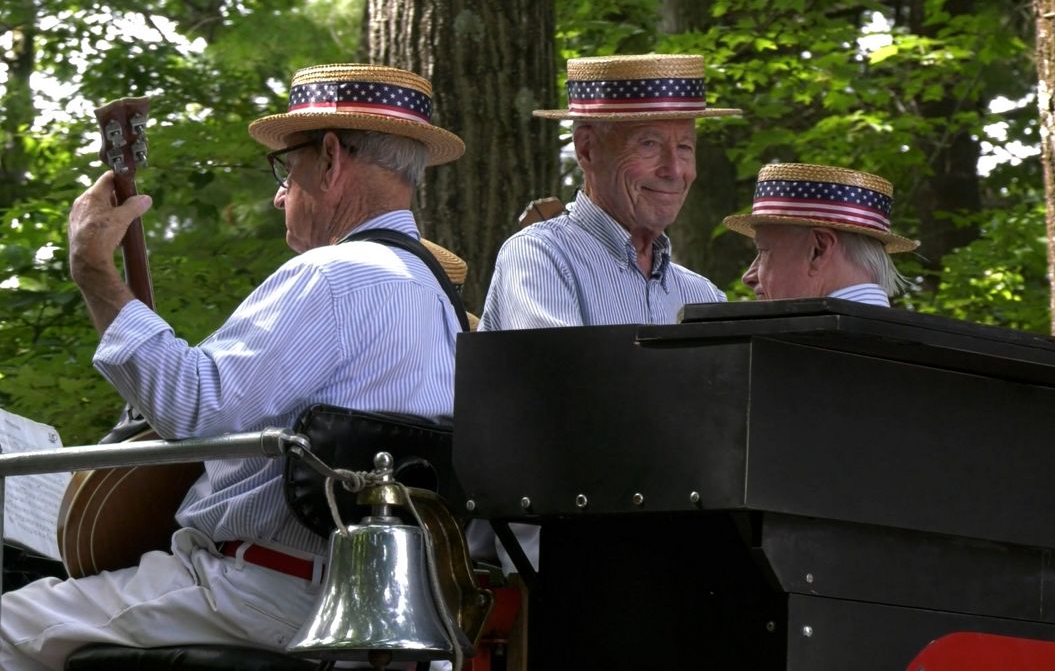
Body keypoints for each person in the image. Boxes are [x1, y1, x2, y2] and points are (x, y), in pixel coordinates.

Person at [0, 63, 466, 670]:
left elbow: (195, 409)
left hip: (261, 592)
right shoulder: (442, 300)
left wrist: (93, 271)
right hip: (386, 611)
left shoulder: (330, 276)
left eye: (286, 168)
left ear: (330, 158)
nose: (279, 194)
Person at [479, 53, 741, 330]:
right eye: (649, 144)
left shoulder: (703, 296)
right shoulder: (541, 258)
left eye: (685, 147)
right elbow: (558, 373)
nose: (674, 170)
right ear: (587, 149)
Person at [724, 162, 918, 304]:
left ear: (819, 248)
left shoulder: (792, 352)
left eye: (764, 251)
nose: (748, 277)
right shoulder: (931, 346)